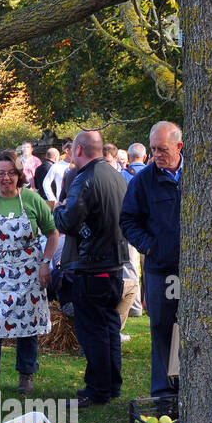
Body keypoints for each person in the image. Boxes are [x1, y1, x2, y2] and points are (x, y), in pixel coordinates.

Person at [0, 150, 59, 401]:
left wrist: (45, 263)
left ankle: (26, 375)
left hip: (28, 271)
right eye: (1, 173)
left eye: (11, 173)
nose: (6, 178)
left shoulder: (32, 199)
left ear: (19, 175)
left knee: (28, 326)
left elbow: (52, 234)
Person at [54, 130, 130, 408]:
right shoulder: (115, 175)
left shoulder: (85, 179)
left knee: (93, 331)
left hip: (92, 264)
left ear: (78, 150)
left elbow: (69, 221)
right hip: (114, 263)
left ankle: (98, 388)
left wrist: (57, 211)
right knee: (109, 327)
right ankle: (111, 385)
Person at [120, 121, 182, 399]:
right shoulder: (144, 180)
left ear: (179, 147)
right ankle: (163, 393)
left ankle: (189, 388)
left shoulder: (200, 176)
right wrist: (149, 246)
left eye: (163, 149)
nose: (156, 154)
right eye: (153, 149)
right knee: (162, 327)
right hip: (161, 268)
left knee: (193, 329)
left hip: (199, 270)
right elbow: (128, 219)